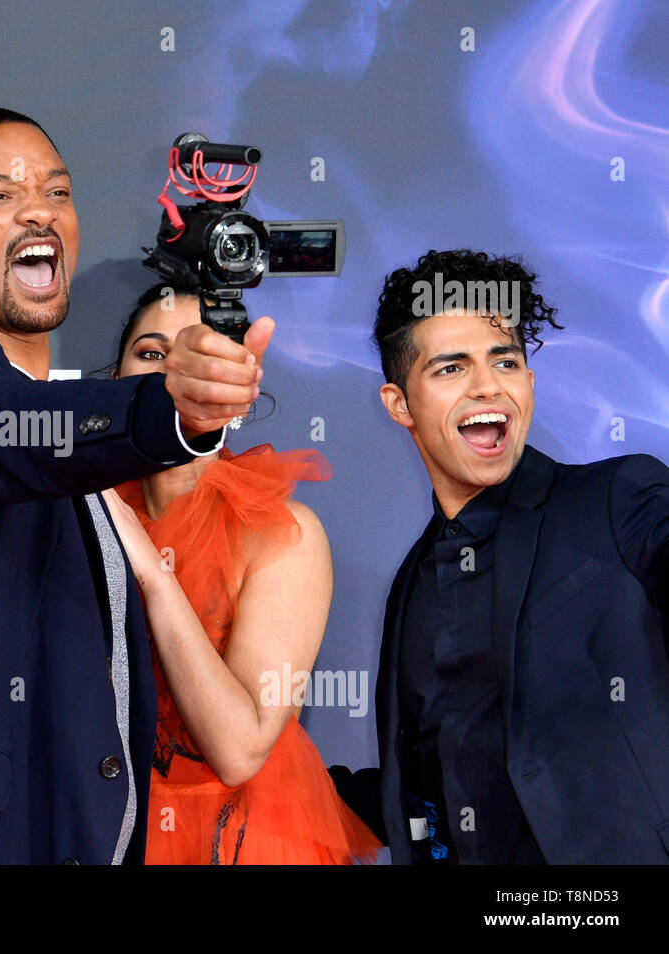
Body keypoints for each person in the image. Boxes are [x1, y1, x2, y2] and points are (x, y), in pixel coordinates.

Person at [0, 109, 269, 864]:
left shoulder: (69, 439)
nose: (39, 210)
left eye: (58, 193)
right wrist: (171, 406)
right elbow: (6, 430)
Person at [373, 248, 669, 864]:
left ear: (528, 384)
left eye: (504, 361)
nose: (488, 386)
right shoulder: (411, 583)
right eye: (451, 369)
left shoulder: (619, 497)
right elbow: (429, 772)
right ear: (400, 405)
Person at [101, 284, 381, 864]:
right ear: (116, 378)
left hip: (245, 840)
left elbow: (238, 748)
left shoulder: (281, 530)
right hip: (107, 826)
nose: (176, 373)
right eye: (153, 354)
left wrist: (153, 573)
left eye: (202, 354)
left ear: (240, 392)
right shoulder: (82, 512)